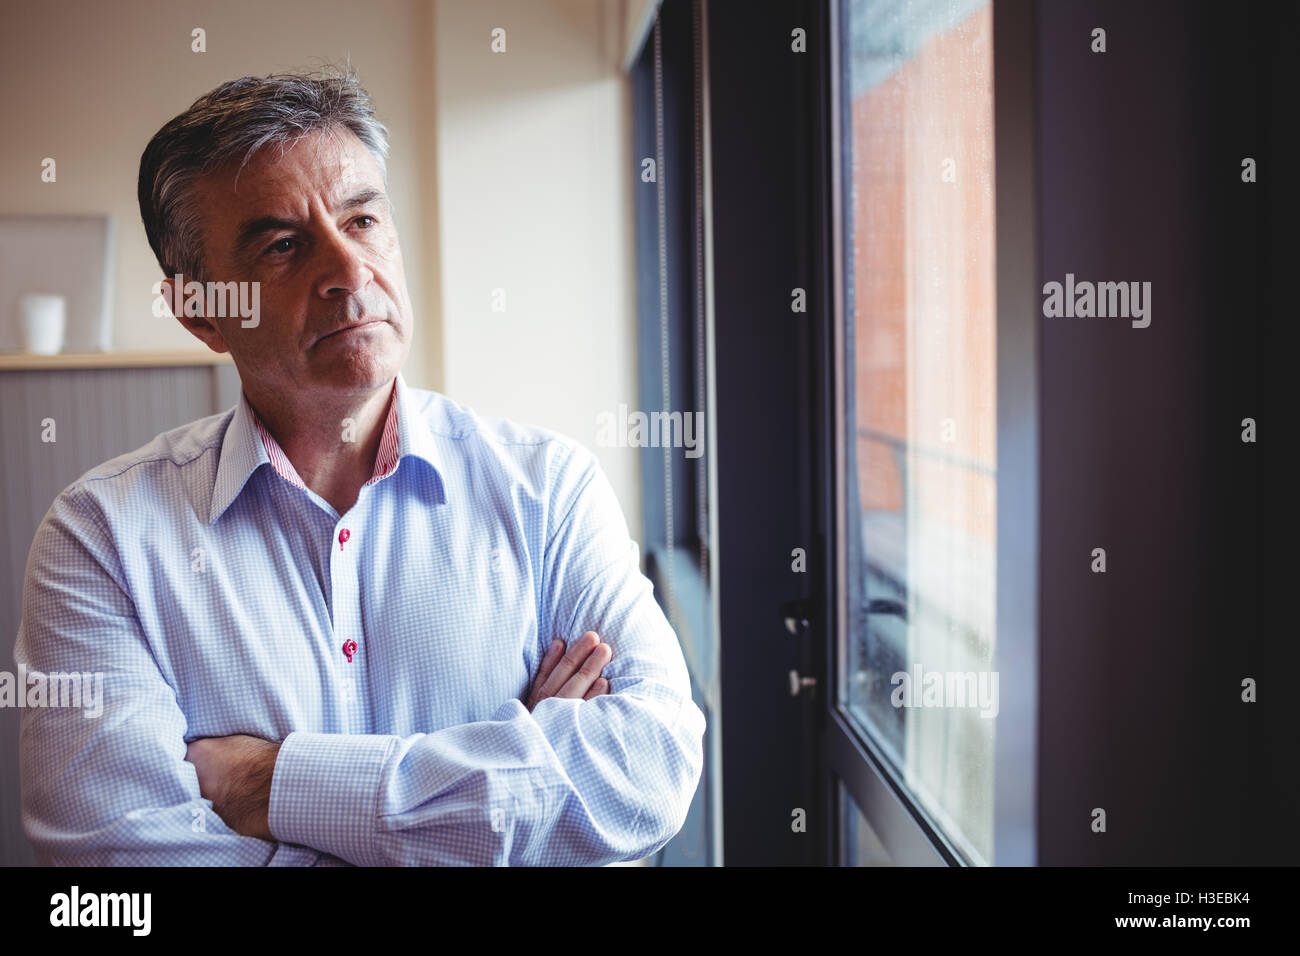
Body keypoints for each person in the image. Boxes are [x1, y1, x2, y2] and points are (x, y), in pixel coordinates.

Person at [15, 67, 704, 866]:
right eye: (283, 245)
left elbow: (648, 769)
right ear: (200, 310)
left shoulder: (548, 489)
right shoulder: (102, 538)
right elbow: (120, 871)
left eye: (364, 219)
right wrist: (512, 785)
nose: (349, 272)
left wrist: (275, 787)